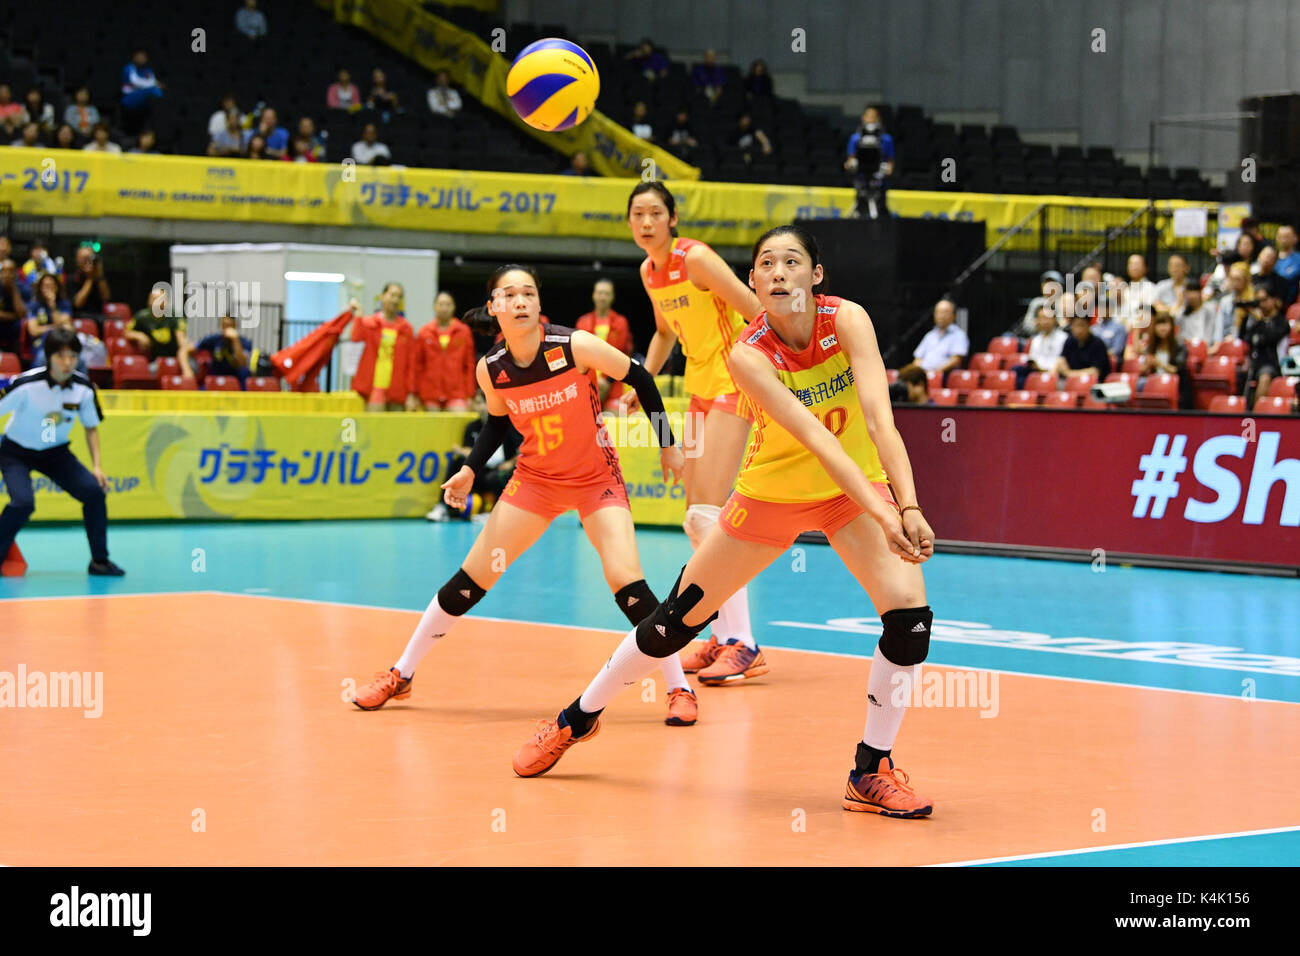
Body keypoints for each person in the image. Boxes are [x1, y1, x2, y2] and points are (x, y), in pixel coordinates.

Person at [511, 225, 937, 819]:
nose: (780, 271)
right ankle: (574, 719)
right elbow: (814, 437)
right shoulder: (748, 354)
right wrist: (883, 510)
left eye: (794, 261)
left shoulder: (848, 320)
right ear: (755, 284)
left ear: (816, 276)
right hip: (771, 496)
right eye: (767, 264)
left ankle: (870, 770)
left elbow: (878, 418)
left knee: (910, 622)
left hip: (852, 494)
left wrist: (907, 506)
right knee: (672, 625)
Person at [350, 264, 697, 726]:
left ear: (538, 304)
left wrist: (668, 446)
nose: (519, 301)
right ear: (493, 308)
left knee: (627, 583)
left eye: (527, 294)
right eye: (508, 295)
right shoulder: (491, 369)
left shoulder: (573, 346)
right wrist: (471, 470)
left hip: (597, 480)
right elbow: (497, 422)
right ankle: (402, 673)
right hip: (535, 482)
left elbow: (640, 377)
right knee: (470, 580)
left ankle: (678, 686)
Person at [622, 181, 767, 685]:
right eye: (637, 214)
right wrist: (640, 380)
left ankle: (744, 642)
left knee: (709, 514)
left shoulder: (697, 259)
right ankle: (724, 634)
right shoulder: (648, 271)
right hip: (700, 390)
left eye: (654, 213)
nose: (646, 223)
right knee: (696, 520)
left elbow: (755, 310)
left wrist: (770, 376)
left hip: (735, 383)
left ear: (672, 218)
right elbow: (665, 333)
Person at [0, 327, 124, 576]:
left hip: (55, 454)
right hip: (15, 452)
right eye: (61, 356)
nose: (67, 362)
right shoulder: (25, 384)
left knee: (93, 493)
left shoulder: (84, 389)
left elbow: (91, 428)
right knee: (23, 503)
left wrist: (97, 466)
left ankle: (100, 561)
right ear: (49, 357)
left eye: (73, 356)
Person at [345, 285, 414, 411]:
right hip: (374, 387)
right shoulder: (369, 323)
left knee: (395, 428)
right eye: (392, 295)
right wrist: (358, 315)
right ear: (382, 297)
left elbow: (411, 363)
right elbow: (355, 337)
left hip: (397, 388)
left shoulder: (406, 328)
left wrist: (411, 393)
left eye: (399, 297)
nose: (395, 300)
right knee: (374, 427)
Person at [408, 291, 475, 411]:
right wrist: (413, 393)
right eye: (440, 304)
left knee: (457, 424)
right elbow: (417, 364)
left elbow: (469, 365)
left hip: (456, 392)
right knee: (432, 428)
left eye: (448, 304)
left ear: (454, 307)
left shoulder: (463, 332)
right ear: (434, 306)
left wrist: (470, 394)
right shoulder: (424, 332)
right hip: (430, 393)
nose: (444, 308)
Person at [575, 279, 634, 411]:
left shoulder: (621, 323)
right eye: (600, 293)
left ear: (612, 297)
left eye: (607, 293)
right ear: (593, 295)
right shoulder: (582, 323)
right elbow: (579, 355)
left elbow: (621, 354)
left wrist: (607, 382)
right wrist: (595, 380)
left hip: (614, 384)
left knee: (615, 426)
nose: (602, 297)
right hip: (587, 382)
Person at [127, 288, 195, 377]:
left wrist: (185, 349)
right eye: (153, 299)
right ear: (149, 301)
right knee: (147, 372)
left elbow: (181, 340)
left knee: (194, 367)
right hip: (156, 361)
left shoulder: (175, 316)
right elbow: (126, 332)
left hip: (177, 359)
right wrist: (138, 335)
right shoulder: (141, 317)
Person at [1241, 286, 1289, 407]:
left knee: (1265, 376)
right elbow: (1246, 339)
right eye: (1259, 301)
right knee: (1237, 373)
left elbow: (1270, 339)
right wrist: (1247, 318)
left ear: (1274, 300)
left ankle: (1259, 413)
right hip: (1255, 362)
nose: (1261, 304)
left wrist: (1261, 321)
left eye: (1264, 300)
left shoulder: (1281, 322)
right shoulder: (1256, 322)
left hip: (1273, 363)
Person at [844, 106, 895, 220]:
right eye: (868, 116)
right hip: (861, 181)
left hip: (879, 183)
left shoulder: (886, 139)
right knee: (861, 212)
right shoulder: (855, 138)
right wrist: (850, 165)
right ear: (863, 118)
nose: (871, 119)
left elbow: (891, 162)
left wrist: (887, 169)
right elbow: (850, 159)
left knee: (880, 212)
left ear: (878, 119)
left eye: (874, 117)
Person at [1013, 306, 1068, 388]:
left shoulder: (1064, 338)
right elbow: (1031, 359)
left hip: (1053, 373)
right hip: (1036, 371)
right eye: (1041, 318)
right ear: (1037, 320)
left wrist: (1045, 370)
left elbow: (1062, 362)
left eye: (1047, 318)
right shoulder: (1035, 339)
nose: (1045, 321)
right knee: (1017, 369)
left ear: (1055, 319)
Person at [912, 299, 968, 374]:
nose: (941, 315)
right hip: (923, 375)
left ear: (954, 316)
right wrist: (921, 372)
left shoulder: (959, 335)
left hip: (944, 376)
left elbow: (956, 360)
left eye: (945, 312)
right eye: (938, 312)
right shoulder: (930, 335)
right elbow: (917, 358)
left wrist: (934, 373)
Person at [194, 315, 253, 386]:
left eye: (229, 326)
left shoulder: (245, 342)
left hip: (237, 381)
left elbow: (242, 364)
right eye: (224, 325)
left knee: (245, 372)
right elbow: (188, 349)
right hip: (215, 379)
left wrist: (235, 340)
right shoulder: (213, 340)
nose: (227, 328)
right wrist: (187, 370)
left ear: (235, 325)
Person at [120, 48, 164, 132]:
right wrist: (154, 84)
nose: (141, 58)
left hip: (143, 100)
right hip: (129, 98)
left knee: (156, 91)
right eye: (139, 56)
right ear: (134, 57)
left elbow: (152, 81)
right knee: (153, 89)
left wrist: (154, 84)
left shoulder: (148, 70)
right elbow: (135, 81)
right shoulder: (129, 68)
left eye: (143, 56)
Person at [1056, 312, 1110, 380]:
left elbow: (1095, 371)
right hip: (1072, 383)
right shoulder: (1069, 341)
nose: (1079, 330)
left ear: (1089, 325)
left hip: (1095, 383)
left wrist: (1069, 374)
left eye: (1082, 325)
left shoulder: (1098, 343)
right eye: (1075, 325)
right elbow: (1061, 360)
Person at [67, 247, 111, 319]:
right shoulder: (72, 278)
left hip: (98, 315)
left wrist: (99, 275)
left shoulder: (99, 277)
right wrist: (90, 278)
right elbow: (78, 303)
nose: (86, 261)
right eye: (83, 258)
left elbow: (106, 297)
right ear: (77, 260)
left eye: (89, 258)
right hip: (80, 316)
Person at [0, 259, 27, 355]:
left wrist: (13, 288)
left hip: (14, 327)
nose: (6, 275)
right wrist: (14, 316)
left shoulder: (23, 288)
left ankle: (17, 359)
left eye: (10, 271)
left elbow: (22, 314)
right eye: (3, 271)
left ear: (15, 274)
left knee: (20, 325)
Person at [1272, 224, 1299, 307]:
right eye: (1280, 236)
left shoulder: (1298, 259)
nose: (1283, 240)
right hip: (1270, 304)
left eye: (1286, 236)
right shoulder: (1270, 256)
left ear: (1295, 238)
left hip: (1290, 303)